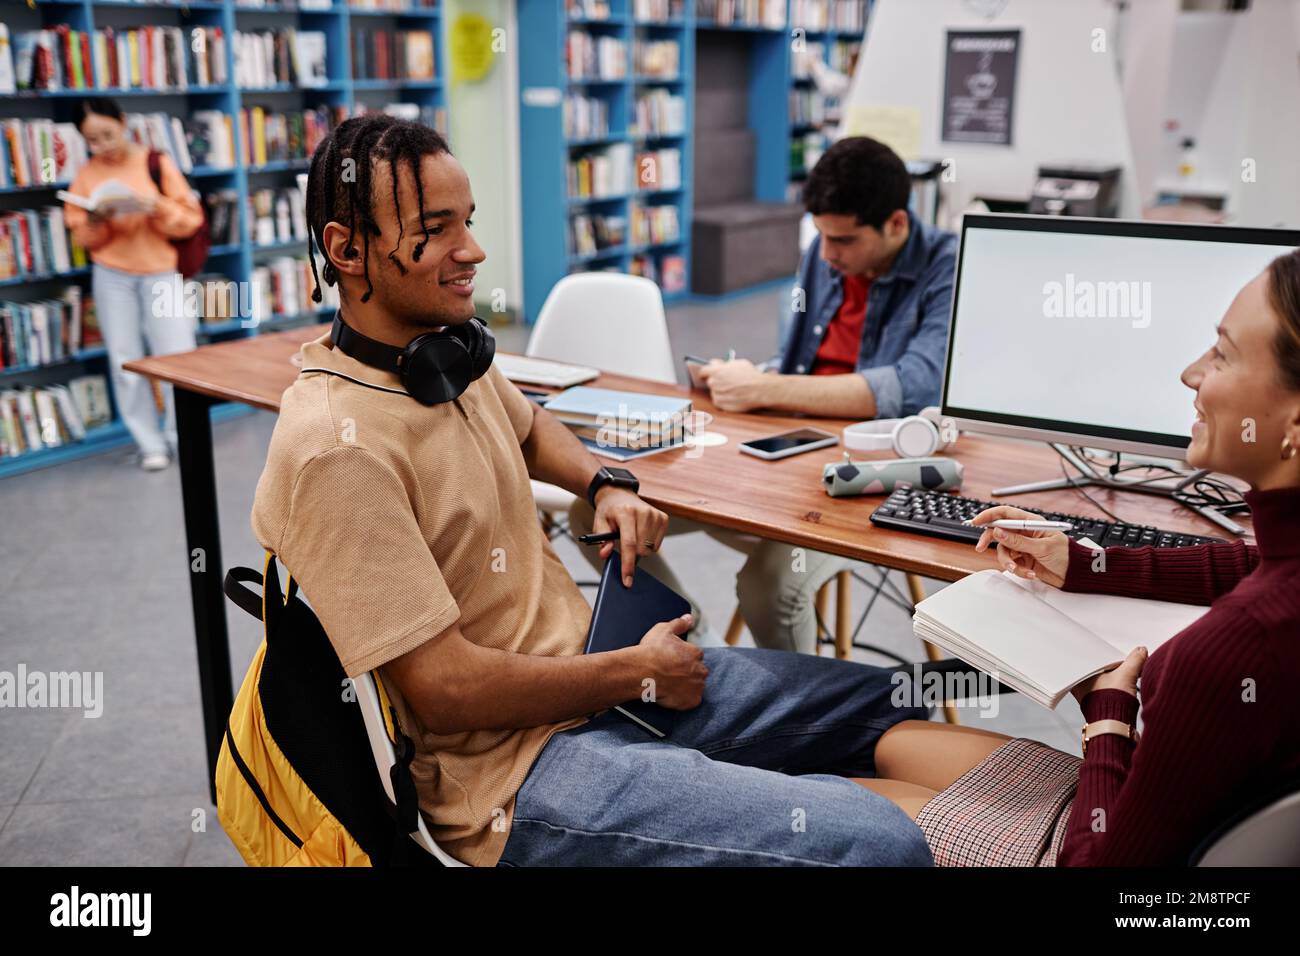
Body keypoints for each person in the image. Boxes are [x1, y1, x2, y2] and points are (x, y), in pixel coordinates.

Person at [249, 114, 934, 867]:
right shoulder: (336, 450)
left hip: (596, 678)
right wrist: (635, 673)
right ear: (347, 250)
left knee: (884, 698)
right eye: (437, 229)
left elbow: (533, 426)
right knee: (882, 844)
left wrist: (604, 482)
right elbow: (446, 691)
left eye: (468, 223)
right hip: (516, 776)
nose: (473, 250)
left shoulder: (443, 360)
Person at [856, 249, 1300, 866]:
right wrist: (1085, 561)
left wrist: (1108, 708)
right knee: (895, 743)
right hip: (1192, 819)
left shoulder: (1231, 653)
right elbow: (1252, 562)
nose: (1191, 373)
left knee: (848, 802)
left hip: (1112, 850)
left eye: (1222, 353)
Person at [569, 136, 957, 654]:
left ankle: (797, 721)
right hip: (786, 444)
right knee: (596, 508)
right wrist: (752, 376)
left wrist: (765, 386)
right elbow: (802, 366)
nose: (828, 254)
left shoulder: (947, 266)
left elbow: (912, 387)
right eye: (821, 237)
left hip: (870, 474)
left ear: (897, 224)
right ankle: (692, 641)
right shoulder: (826, 253)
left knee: (770, 586)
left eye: (843, 241)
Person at [63, 97, 205, 470]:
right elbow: (84, 239)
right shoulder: (87, 173)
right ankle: (150, 444)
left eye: (108, 134)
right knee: (124, 362)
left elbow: (190, 221)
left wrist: (155, 205)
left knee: (179, 357)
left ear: (123, 122)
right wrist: (97, 220)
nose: (103, 146)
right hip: (112, 276)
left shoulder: (156, 162)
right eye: (92, 140)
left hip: (161, 273)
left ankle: (183, 437)